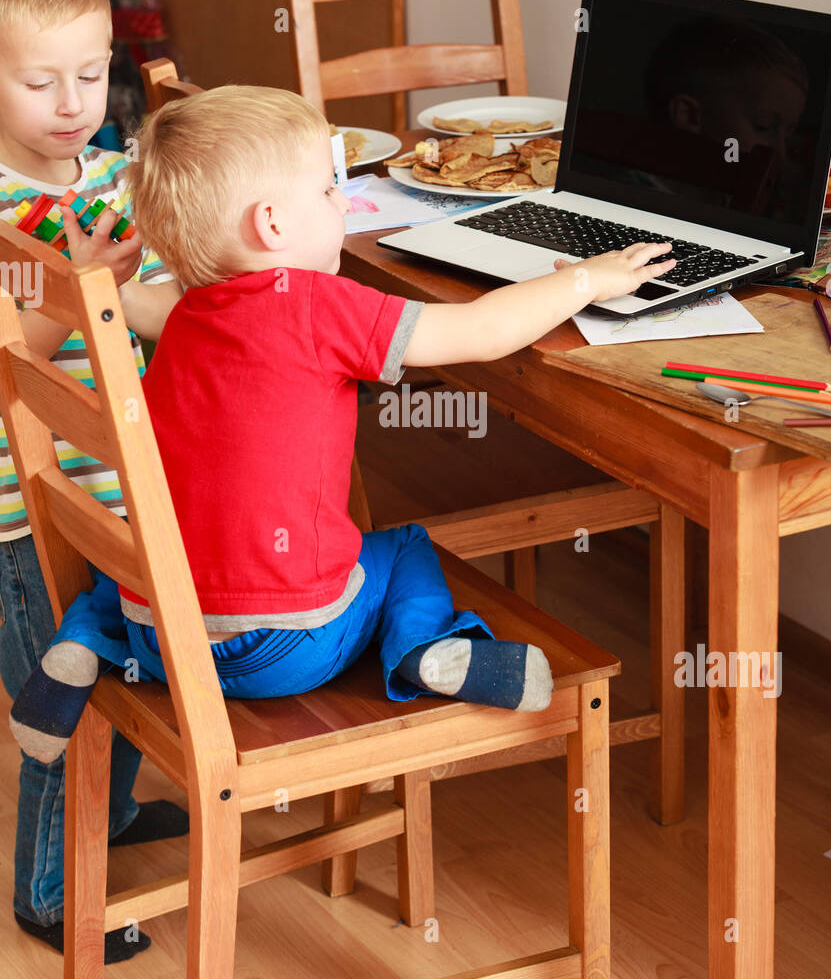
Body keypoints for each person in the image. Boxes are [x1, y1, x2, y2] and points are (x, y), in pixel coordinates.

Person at [8, 86, 676, 815]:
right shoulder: (324, 308)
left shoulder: (181, 313)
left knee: (132, 563)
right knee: (406, 548)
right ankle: (424, 651)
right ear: (271, 223)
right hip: (286, 651)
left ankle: (80, 648)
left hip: (159, 638)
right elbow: (480, 333)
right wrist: (586, 279)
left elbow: (119, 299)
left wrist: (103, 270)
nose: (344, 203)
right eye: (330, 188)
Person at [0, 0, 186, 964]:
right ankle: (45, 892)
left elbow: (155, 305)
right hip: (21, 508)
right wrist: (70, 281)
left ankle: (104, 817)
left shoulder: (116, 175)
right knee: (60, 705)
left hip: (116, 485)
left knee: (117, 669)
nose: (71, 102)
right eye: (38, 81)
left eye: (89, 72)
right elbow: (12, 352)